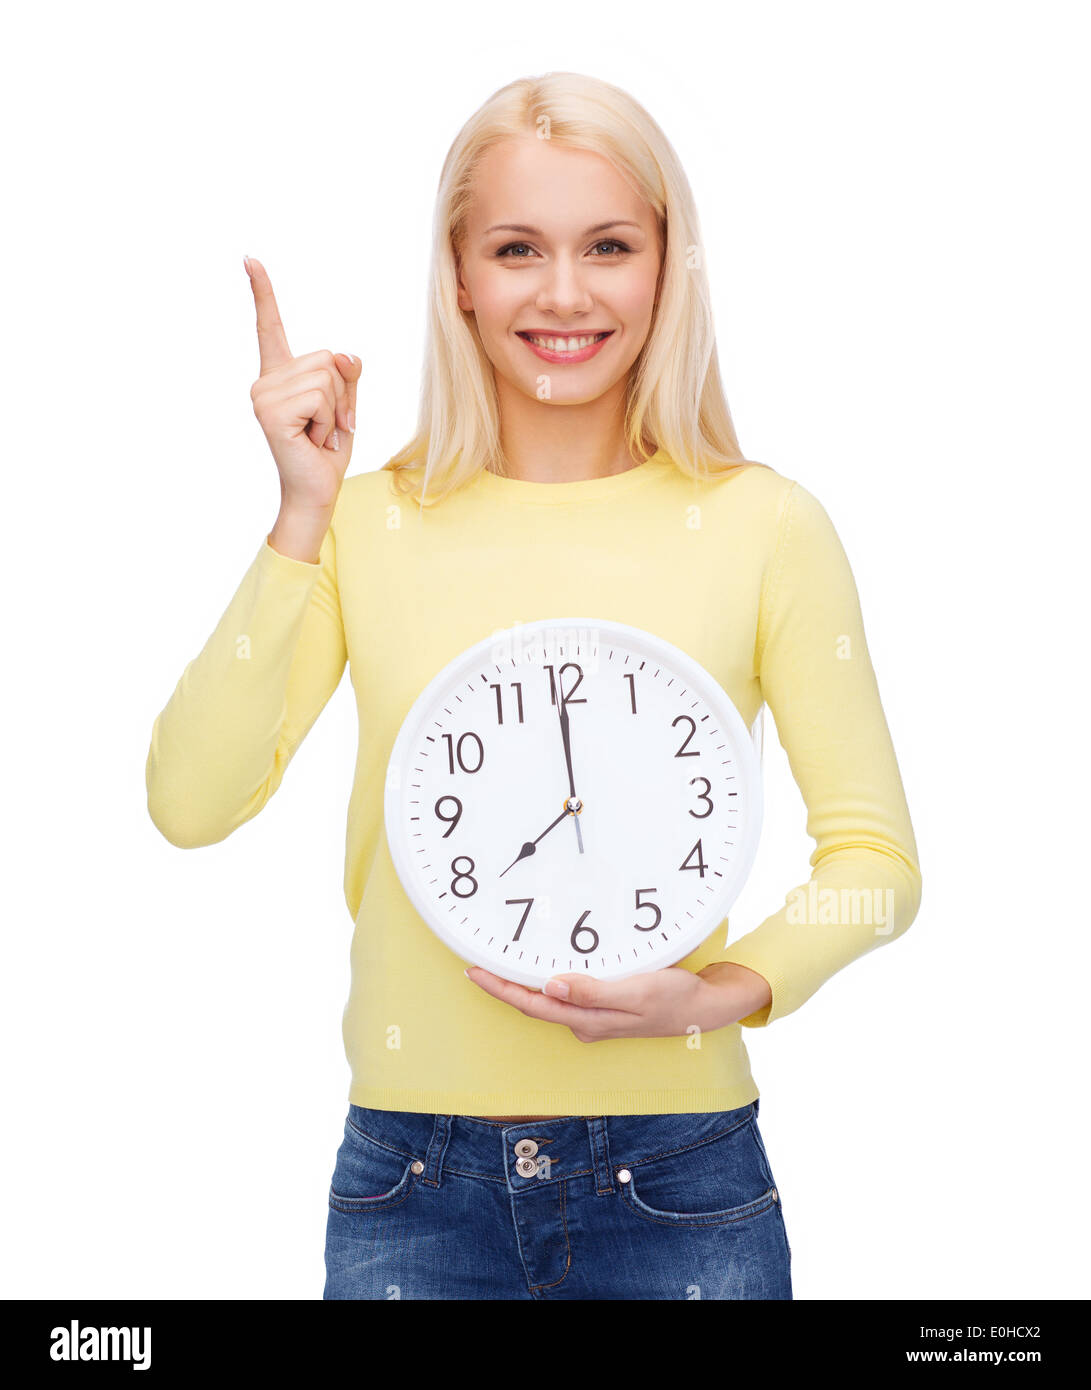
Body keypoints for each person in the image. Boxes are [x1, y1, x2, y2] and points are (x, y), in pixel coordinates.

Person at [145, 71, 922, 1300]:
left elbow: (875, 864)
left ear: (667, 267)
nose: (564, 293)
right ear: (458, 274)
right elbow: (190, 801)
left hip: (680, 1181)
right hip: (412, 1184)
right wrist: (297, 516)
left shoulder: (765, 525)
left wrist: (717, 992)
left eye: (607, 246)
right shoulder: (360, 526)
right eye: (517, 249)